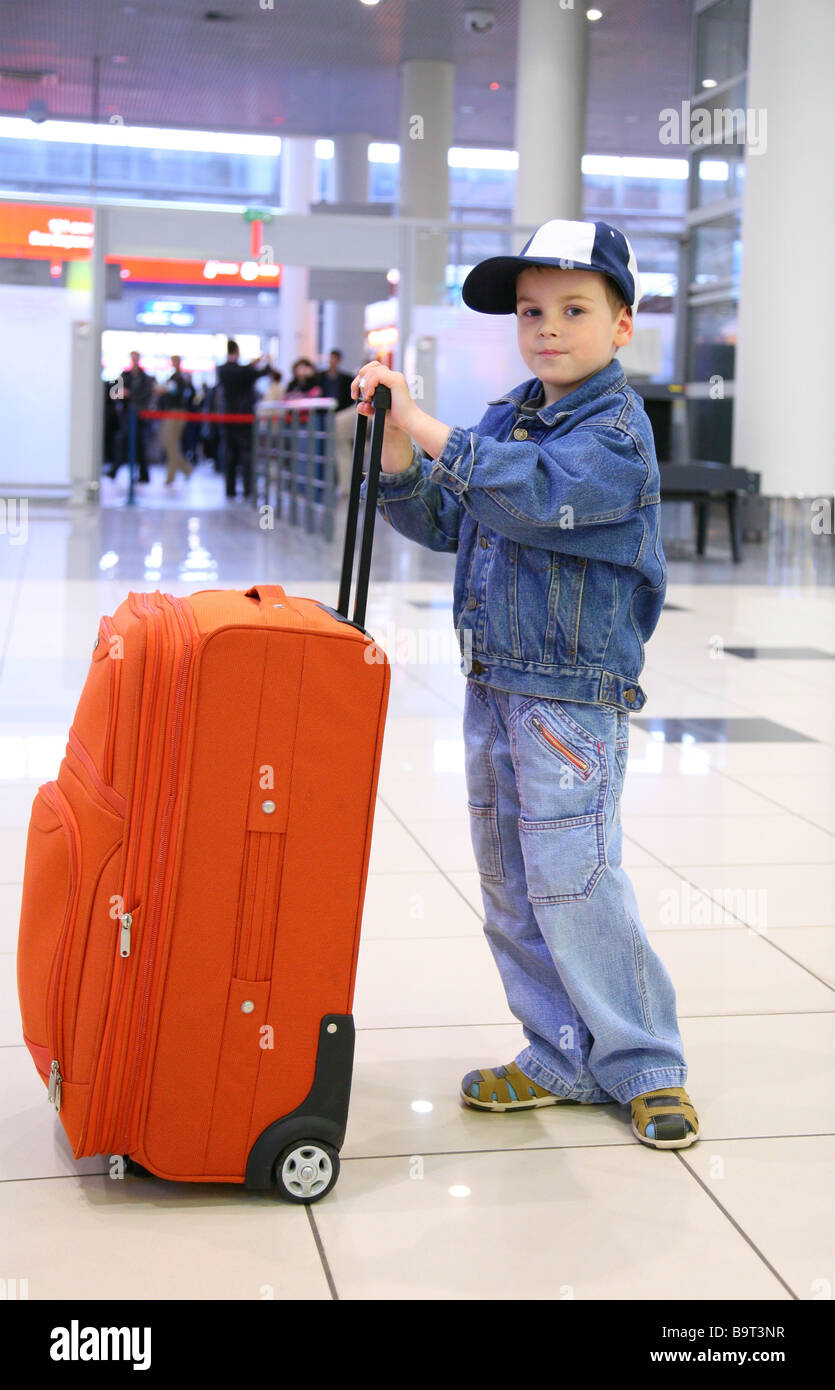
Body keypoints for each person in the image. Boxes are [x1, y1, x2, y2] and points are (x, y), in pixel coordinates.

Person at [352, 217, 698, 1150]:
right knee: (510, 881)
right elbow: (450, 521)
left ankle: (642, 1063)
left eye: (574, 309)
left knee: (575, 880)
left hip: (571, 698)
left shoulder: (617, 433)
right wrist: (396, 451)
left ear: (622, 325)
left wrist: (431, 427)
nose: (548, 327)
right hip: (495, 681)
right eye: (532, 310)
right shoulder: (509, 416)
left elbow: (544, 499)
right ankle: (556, 1051)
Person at [215, 339, 271, 498]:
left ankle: (231, 489)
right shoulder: (244, 371)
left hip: (228, 416)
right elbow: (263, 372)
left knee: (230, 454)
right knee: (246, 454)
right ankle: (247, 489)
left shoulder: (223, 369)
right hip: (244, 417)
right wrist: (262, 362)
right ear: (237, 351)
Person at [106, 350, 153, 482]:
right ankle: (115, 469)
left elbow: (146, 396)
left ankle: (143, 474)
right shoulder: (124, 376)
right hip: (127, 415)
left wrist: (131, 394)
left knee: (140, 445)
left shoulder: (145, 378)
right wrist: (121, 394)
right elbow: (114, 394)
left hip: (140, 416)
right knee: (123, 442)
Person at [321, 348, 358, 496]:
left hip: (340, 420)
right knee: (340, 453)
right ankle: (343, 484)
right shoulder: (321, 377)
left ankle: (345, 485)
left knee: (342, 452)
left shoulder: (346, 378)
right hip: (331, 419)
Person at [159, 355, 195, 486]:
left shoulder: (180, 379)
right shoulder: (173, 377)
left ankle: (171, 475)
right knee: (169, 444)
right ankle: (186, 469)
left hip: (177, 413)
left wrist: (164, 390)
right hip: (171, 412)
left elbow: (176, 393)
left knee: (172, 444)